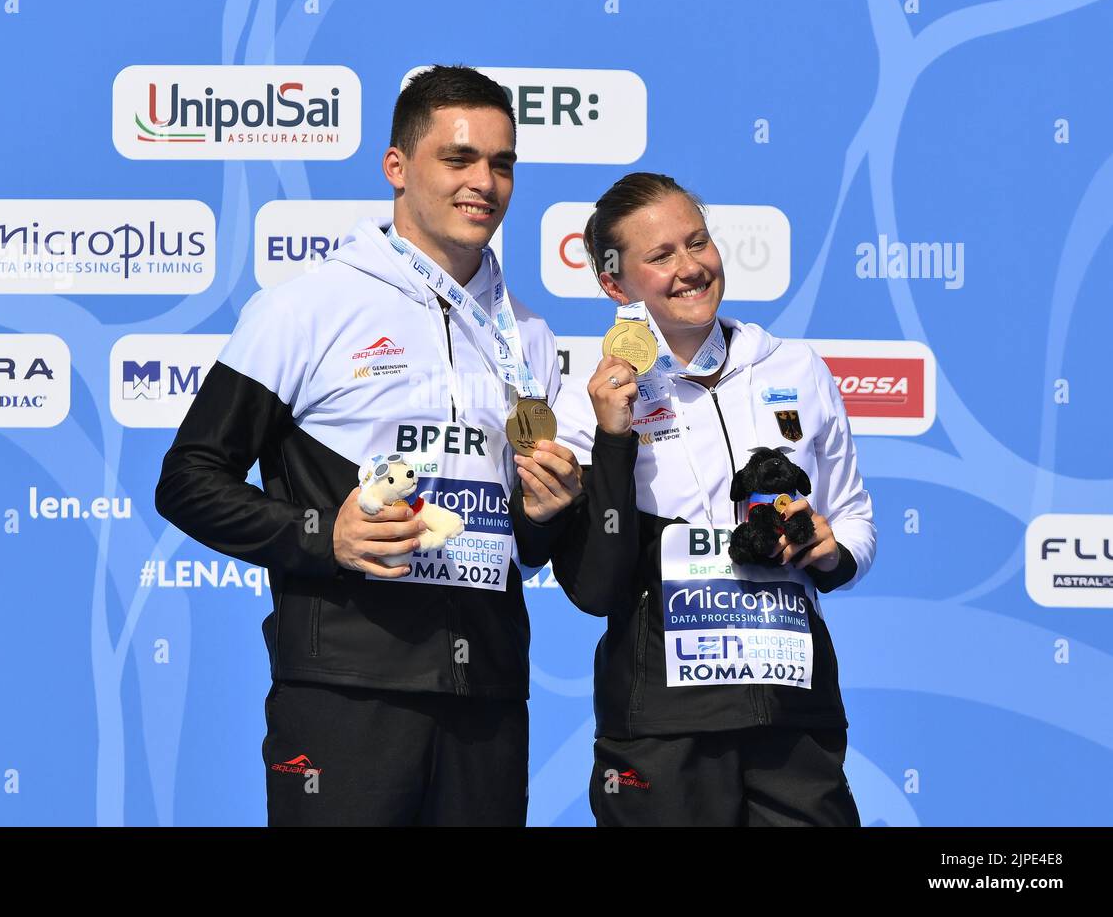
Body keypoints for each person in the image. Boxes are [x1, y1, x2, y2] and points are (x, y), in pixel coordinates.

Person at [155, 65, 582, 826]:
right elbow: (187, 478)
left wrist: (548, 512)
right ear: (397, 167)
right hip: (346, 690)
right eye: (459, 159)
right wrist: (324, 535)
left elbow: (530, 540)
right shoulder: (308, 307)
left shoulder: (529, 336)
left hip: (485, 696)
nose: (484, 181)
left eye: (502, 162)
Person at [538, 172, 876, 826]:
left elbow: (856, 519)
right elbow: (593, 588)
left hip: (792, 711)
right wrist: (614, 436)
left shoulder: (796, 369)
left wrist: (833, 551)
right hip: (662, 727)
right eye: (661, 256)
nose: (691, 268)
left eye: (698, 242)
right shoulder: (591, 403)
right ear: (615, 283)